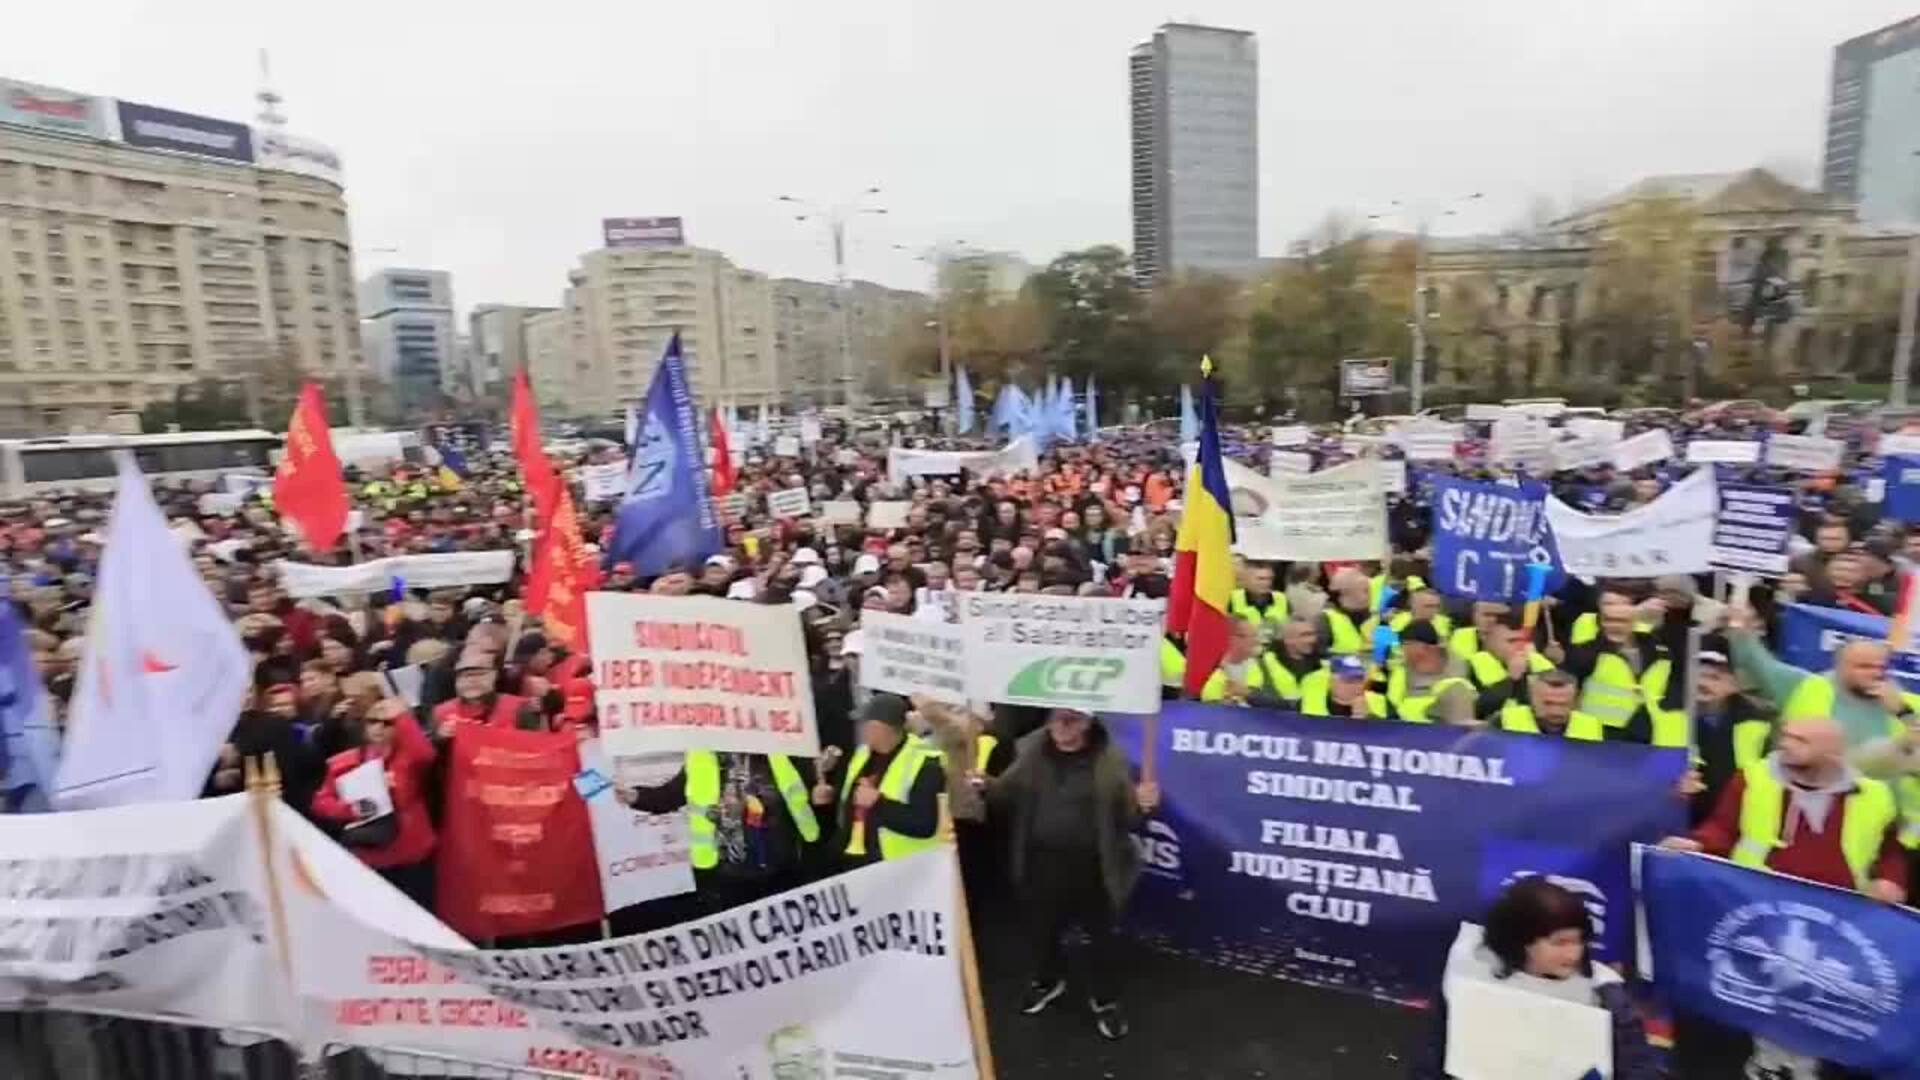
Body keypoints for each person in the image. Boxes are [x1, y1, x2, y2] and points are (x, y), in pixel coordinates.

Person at [978, 706, 1158, 1041]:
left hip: (1092, 865)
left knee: (1100, 938)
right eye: (1055, 718)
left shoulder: (1110, 762)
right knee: (1041, 930)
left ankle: (1105, 1000)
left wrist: (1144, 803)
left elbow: (1129, 817)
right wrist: (983, 784)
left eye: (1070, 720)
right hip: (1042, 862)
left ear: (1087, 724)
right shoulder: (1032, 752)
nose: (1059, 726)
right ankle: (1048, 981)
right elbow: (1005, 793)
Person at [1413, 876, 1660, 1080]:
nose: (1573, 953)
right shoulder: (1469, 977)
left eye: (1578, 941)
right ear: (1523, 942)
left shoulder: (1604, 994)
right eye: (1559, 943)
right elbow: (1432, 1063)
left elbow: (1638, 1069)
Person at [1662, 716, 1906, 901]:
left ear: (1832, 754)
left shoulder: (1875, 796)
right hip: (1754, 900)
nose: (1786, 744)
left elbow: (1890, 852)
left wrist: (1890, 881)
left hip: (1838, 911)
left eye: (1800, 741)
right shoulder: (1752, 778)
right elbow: (1722, 828)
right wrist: (1697, 844)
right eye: (1786, 736)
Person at [623, 747, 823, 913]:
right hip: (727, 875)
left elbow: (807, 787)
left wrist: (822, 777)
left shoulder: (777, 751)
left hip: (779, 867)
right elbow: (670, 795)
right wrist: (635, 797)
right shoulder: (701, 757)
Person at [309, 696, 440, 907]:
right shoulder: (342, 762)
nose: (379, 727)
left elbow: (424, 752)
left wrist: (402, 715)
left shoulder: (410, 759)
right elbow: (320, 802)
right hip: (371, 856)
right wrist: (351, 810)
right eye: (373, 721)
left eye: (388, 723)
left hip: (412, 856)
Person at [812, 694, 943, 868]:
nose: (861, 729)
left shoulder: (925, 763)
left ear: (879, 727)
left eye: (865, 724)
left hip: (897, 868)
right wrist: (826, 800)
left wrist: (878, 802)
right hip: (853, 861)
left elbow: (924, 825)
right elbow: (848, 803)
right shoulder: (861, 754)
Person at [1384, 621, 1476, 723]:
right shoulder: (1401, 671)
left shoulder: (1461, 665)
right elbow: (1393, 708)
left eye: (1407, 644)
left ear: (1426, 646)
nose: (1403, 649)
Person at [1198, 618, 1284, 706]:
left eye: (1256, 636)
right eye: (1252, 636)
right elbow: (1209, 713)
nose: (1256, 641)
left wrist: (1248, 693)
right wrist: (1225, 707)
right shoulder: (1213, 678)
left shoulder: (1264, 666)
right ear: (1233, 639)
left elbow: (1281, 704)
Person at [1298, 654, 1388, 719]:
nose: (1355, 686)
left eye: (1359, 680)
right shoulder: (1310, 699)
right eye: (1348, 681)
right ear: (1332, 681)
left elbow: (1393, 736)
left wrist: (1368, 719)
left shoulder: (1378, 701)